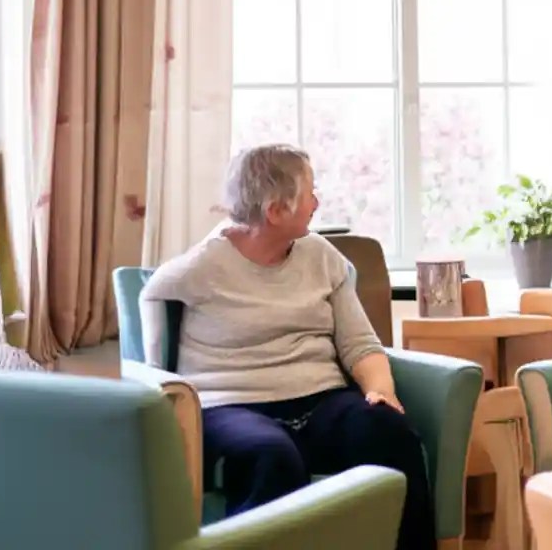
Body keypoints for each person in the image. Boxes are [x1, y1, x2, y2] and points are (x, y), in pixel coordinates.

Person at [140, 144, 435, 550]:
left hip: (320, 399)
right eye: (310, 193)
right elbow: (151, 299)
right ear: (276, 211)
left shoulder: (320, 256)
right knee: (272, 457)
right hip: (230, 406)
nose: (317, 202)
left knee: (390, 432)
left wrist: (380, 389)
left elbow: (360, 343)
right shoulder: (200, 268)